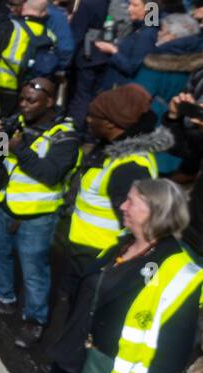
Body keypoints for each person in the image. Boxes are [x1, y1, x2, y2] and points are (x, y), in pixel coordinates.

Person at [44, 179, 203, 373]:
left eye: (132, 202)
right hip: (84, 365)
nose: (122, 206)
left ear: (155, 212)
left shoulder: (181, 272)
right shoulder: (122, 244)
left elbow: (175, 346)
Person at [0, 77, 81, 347]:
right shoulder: (17, 122)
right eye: (22, 98)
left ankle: (35, 319)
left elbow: (51, 174)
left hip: (37, 216)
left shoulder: (65, 136)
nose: (23, 105)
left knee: (34, 271)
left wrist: (19, 149)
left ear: (49, 102)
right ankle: (3, 297)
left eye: (30, 100)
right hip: (3, 205)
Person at [65, 84, 166, 296]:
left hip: (101, 257)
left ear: (112, 124)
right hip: (84, 251)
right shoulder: (109, 148)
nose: (88, 120)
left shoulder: (129, 167)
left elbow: (137, 223)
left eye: (94, 116)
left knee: (84, 320)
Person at [0, 0, 55, 118]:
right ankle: (5, 138)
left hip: (0, 83)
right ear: (44, 13)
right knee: (10, 124)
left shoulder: (12, 27)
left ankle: (0, 138)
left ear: (25, 6)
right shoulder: (49, 35)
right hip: (27, 89)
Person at [131, 13, 203, 116]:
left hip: (145, 118)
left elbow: (135, 99)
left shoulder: (156, 64)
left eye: (162, 30)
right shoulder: (196, 63)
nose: (158, 33)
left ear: (171, 36)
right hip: (170, 119)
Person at [93, 0, 159, 91]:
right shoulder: (136, 27)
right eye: (129, 4)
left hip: (121, 89)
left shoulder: (147, 34)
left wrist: (113, 51)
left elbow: (132, 68)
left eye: (135, 5)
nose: (129, 9)